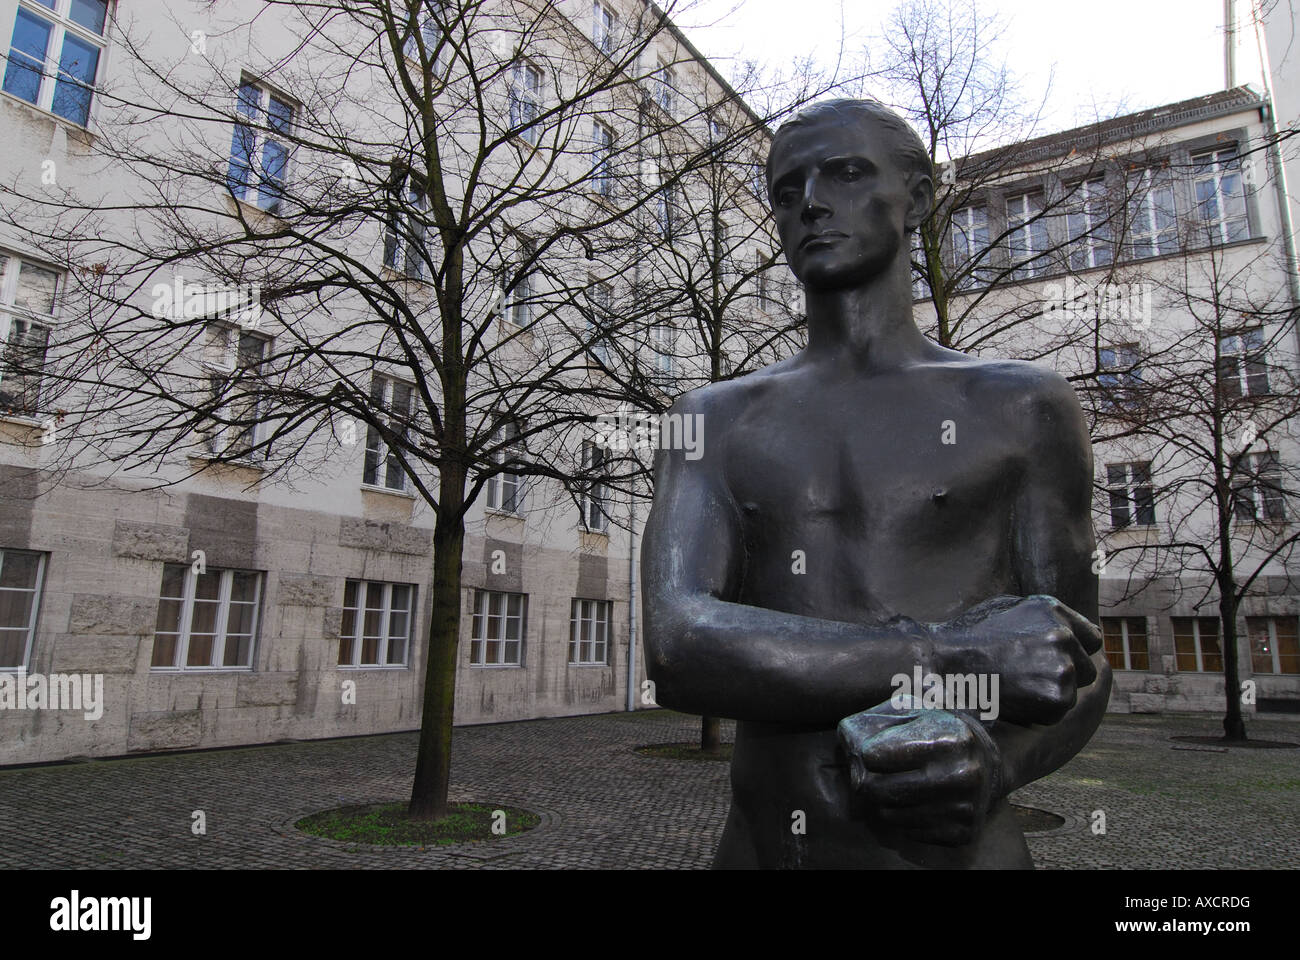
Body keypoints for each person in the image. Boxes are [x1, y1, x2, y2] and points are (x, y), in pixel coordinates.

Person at [640, 99, 1111, 869]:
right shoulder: (713, 418)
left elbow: (1077, 662)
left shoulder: (1020, 404)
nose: (813, 203)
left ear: (919, 199)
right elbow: (679, 642)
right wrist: (949, 657)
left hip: (953, 854)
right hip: (766, 850)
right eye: (788, 192)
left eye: (848, 174)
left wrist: (1001, 762)